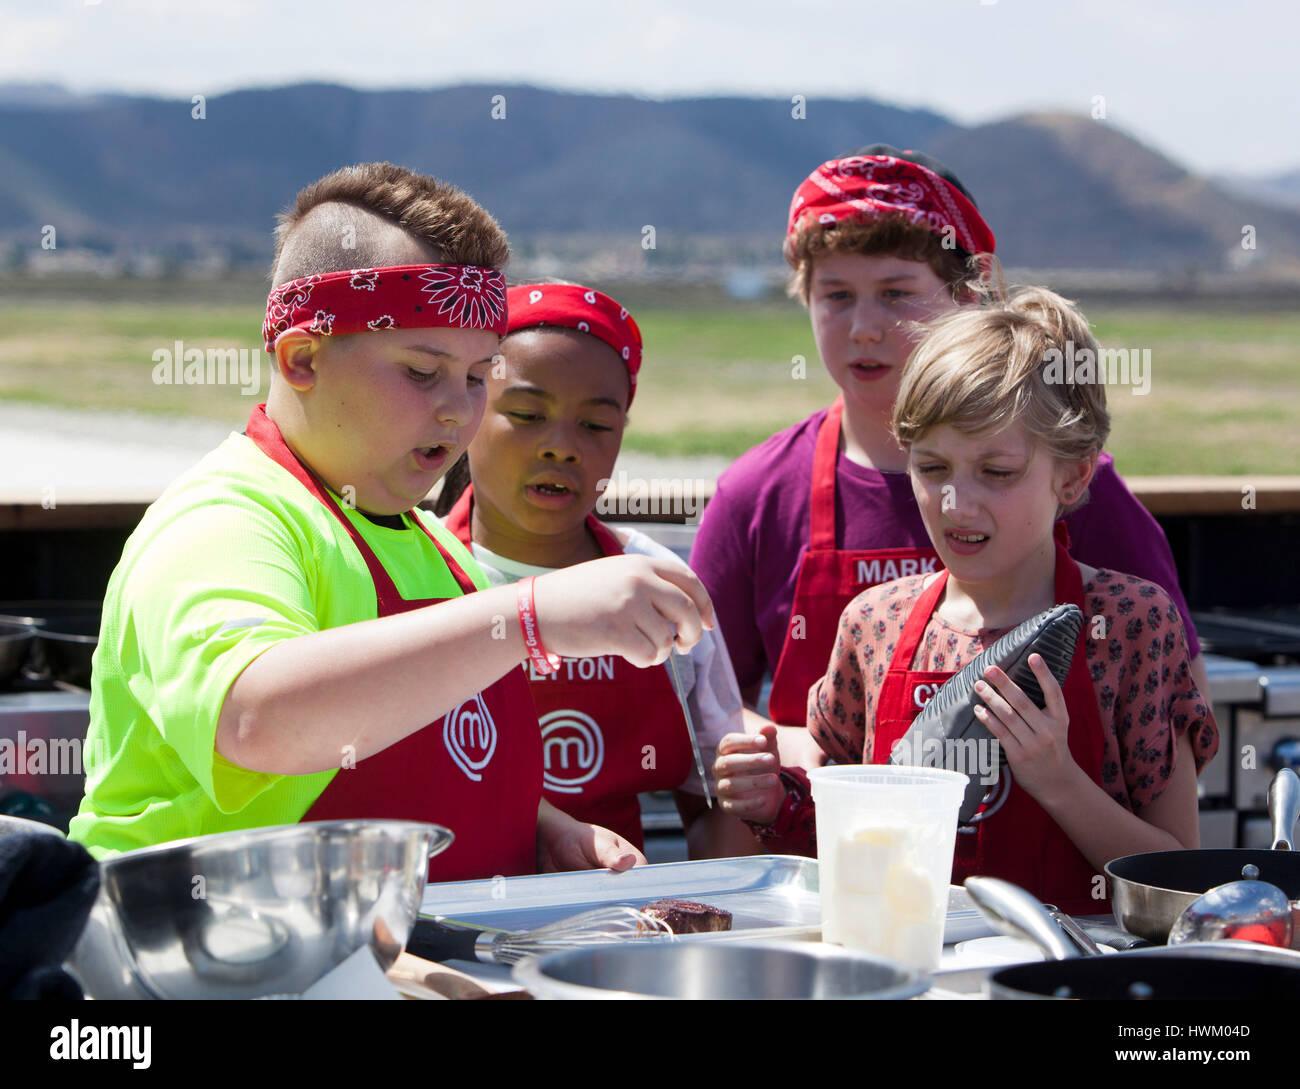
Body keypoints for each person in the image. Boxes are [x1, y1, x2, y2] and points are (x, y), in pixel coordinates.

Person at [68, 163, 715, 881]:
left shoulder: (433, 547)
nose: (457, 410)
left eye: (477, 376)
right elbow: (257, 718)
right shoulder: (226, 519)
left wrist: (542, 826)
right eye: (421, 370)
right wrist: (529, 616)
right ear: (302, 356)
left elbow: (419, 743)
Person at [689, 146, 1210, 778]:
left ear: (971, 296)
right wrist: (799, 750)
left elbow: (1177, 697)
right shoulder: (755, 494)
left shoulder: (1076, 486)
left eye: (896, 293)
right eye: (836, 296)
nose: (864, 327)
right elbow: (707, 698)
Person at [715, 287, 1219, 913]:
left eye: (997, 472)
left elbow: (1178, 879)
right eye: (932, 469)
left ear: (1074, 475)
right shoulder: (873, 625)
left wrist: (1058, 780)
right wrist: (777, 804)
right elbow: (846, 841)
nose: (957, 502)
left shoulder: (1132, 625)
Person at [436, 282, 762, 858]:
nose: (561, 447)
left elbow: (715, 803)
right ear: (469, 412)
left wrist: (748, 806)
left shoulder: (657, 581)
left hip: (624, 911)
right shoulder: (409, 571)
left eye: (595, 426)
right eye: (528, 414)